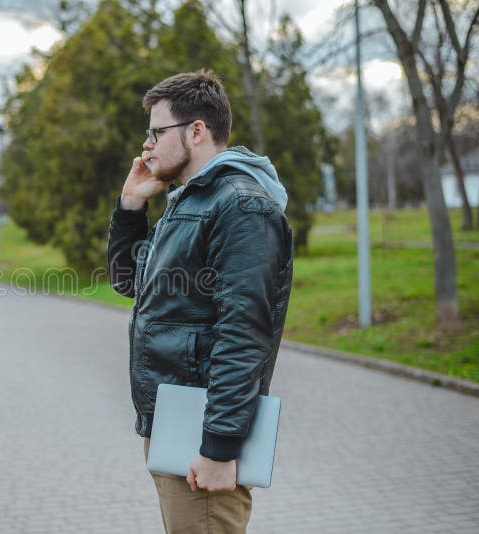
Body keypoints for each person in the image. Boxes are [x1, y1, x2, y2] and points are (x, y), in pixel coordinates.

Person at [107, 70, 293, 533]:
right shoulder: (189, 202)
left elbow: (245, 333)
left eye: (156, 132)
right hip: (173, 422)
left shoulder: (239, 206)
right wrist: (131, 205)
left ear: (197, 130)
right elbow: (128, 282)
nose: (146, 145)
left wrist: (218, 447)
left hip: (202, 435)